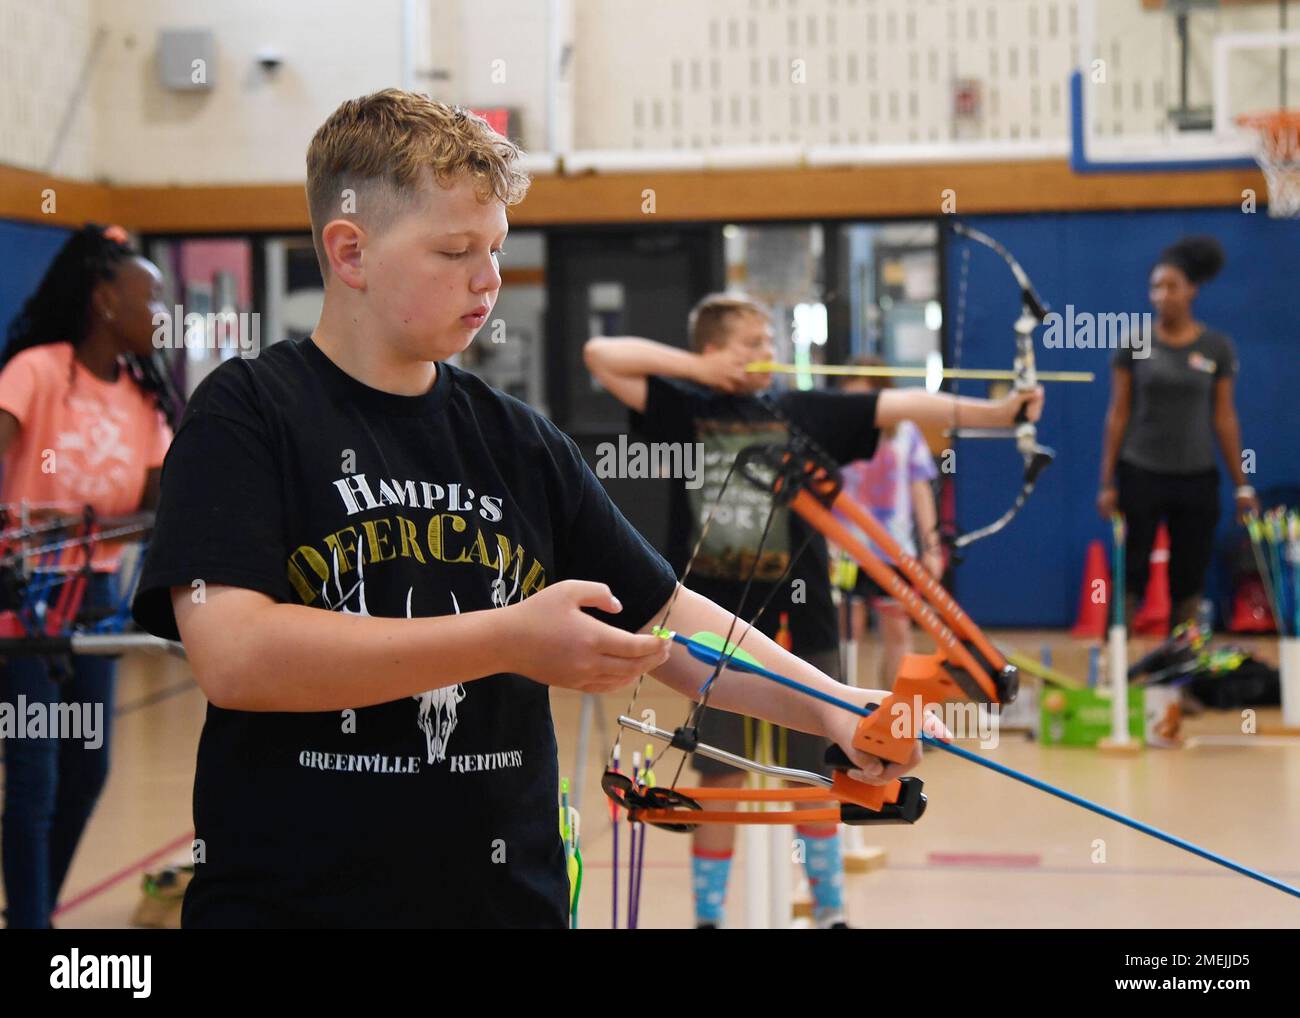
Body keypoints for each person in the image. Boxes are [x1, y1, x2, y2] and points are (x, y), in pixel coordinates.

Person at [128, 90, 923, 930]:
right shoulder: (247, 413)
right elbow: (237, 656)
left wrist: (840, 706)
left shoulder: (519, 441)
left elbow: (671, 619)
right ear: (351, 251)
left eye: (498, 248)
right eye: (455, 249)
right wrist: (509, 637)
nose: (489, 277)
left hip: (508, 903)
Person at [584, 299, 1041, 928]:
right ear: (715, 347)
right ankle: (709, 917)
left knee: (819, 772)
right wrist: (701, 367)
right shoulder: (686, 408)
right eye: (749, 341)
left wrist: (997, 413)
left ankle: (829, 911)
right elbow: (601, 356)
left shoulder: (794, 410)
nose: (764, 351)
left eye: (768, 339)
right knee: (718, 776)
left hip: (808, 621)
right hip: (712, 626)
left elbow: (900, 405)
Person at [0, 224, 176, 928]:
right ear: (105, 300)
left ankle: (32, 911)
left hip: (95, 594)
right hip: (23, 591)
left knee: (86, 771)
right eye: (151, 298)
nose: (162, 314)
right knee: (35, 778)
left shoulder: (144, 403)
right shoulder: (39, 371)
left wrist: (86, 530)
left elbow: (151, 515)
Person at [1097, 236, 1258, 627]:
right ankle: (1115, 664)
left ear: (1192, 291)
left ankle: (1183, 668)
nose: (1161, 295)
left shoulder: (1217, 347)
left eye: (1171, 286)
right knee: (1132, 569)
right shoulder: (1134, 343)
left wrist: (1242, 485)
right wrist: (1107, 482)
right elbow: (1118, 413)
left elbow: (1225, 417)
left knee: (1188, 577)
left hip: (1196, 476)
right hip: (1141, 472)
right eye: (1155, 286)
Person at [833, 358, 943, 688]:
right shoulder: (835, 432)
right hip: (844, 550)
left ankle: (894, 714)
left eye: (862, 398)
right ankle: (842, 708)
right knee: (846, 630)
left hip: (893, 552)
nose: (854, 407)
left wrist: (931, 546)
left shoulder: (905, 433)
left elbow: (920, 489)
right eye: (848, 399)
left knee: (898, 631)